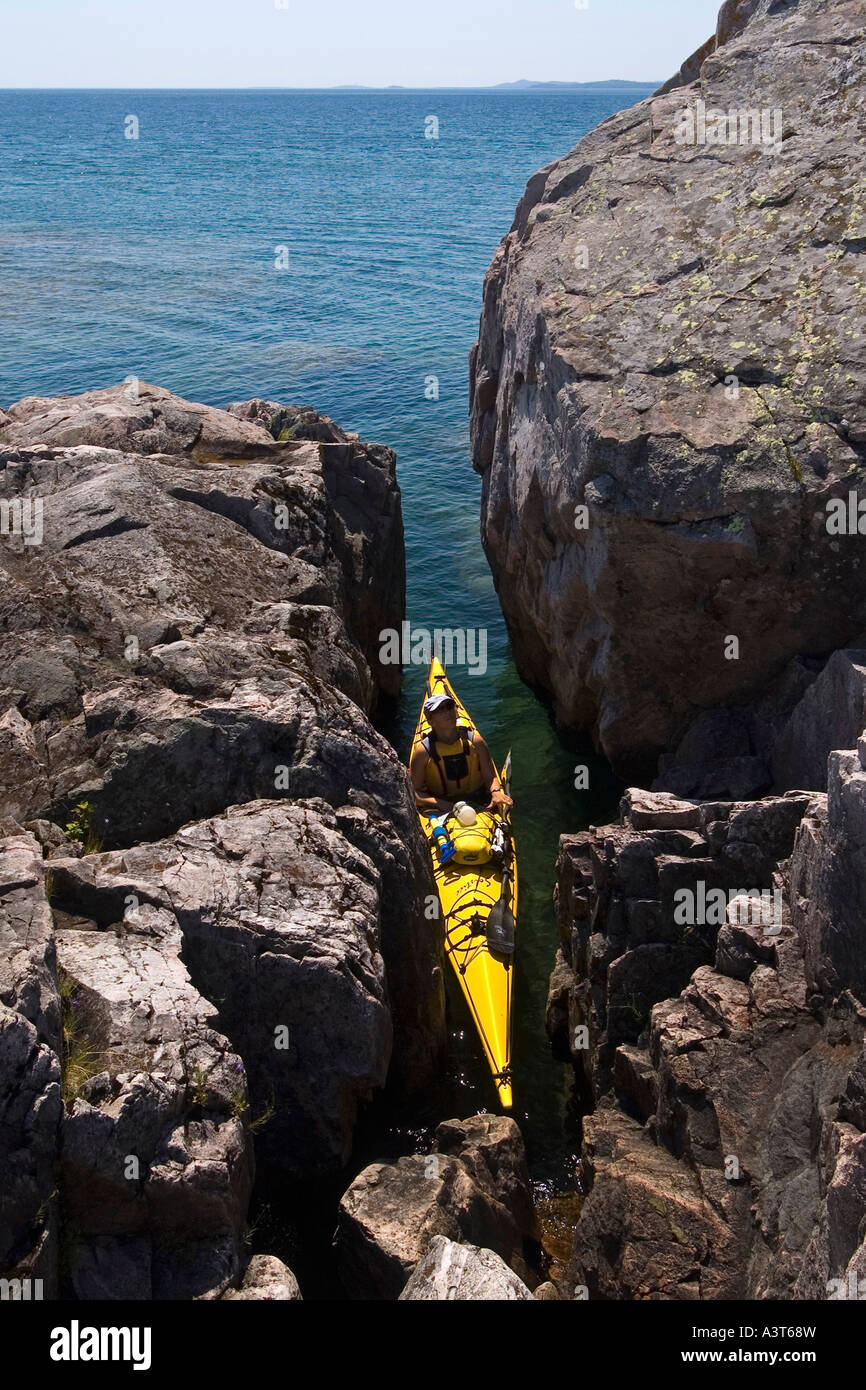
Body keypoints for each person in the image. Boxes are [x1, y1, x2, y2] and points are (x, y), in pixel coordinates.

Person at [410, 692, 513, 817]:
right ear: (430, 720)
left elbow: (490, 777)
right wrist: (439, 803)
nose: (447, 712)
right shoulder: (422, 753)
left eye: (449, 707)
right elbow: (414, 792)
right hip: (443, 807)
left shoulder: (476, 742)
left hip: (478, 799)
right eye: (440, 710)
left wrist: (496, 792)